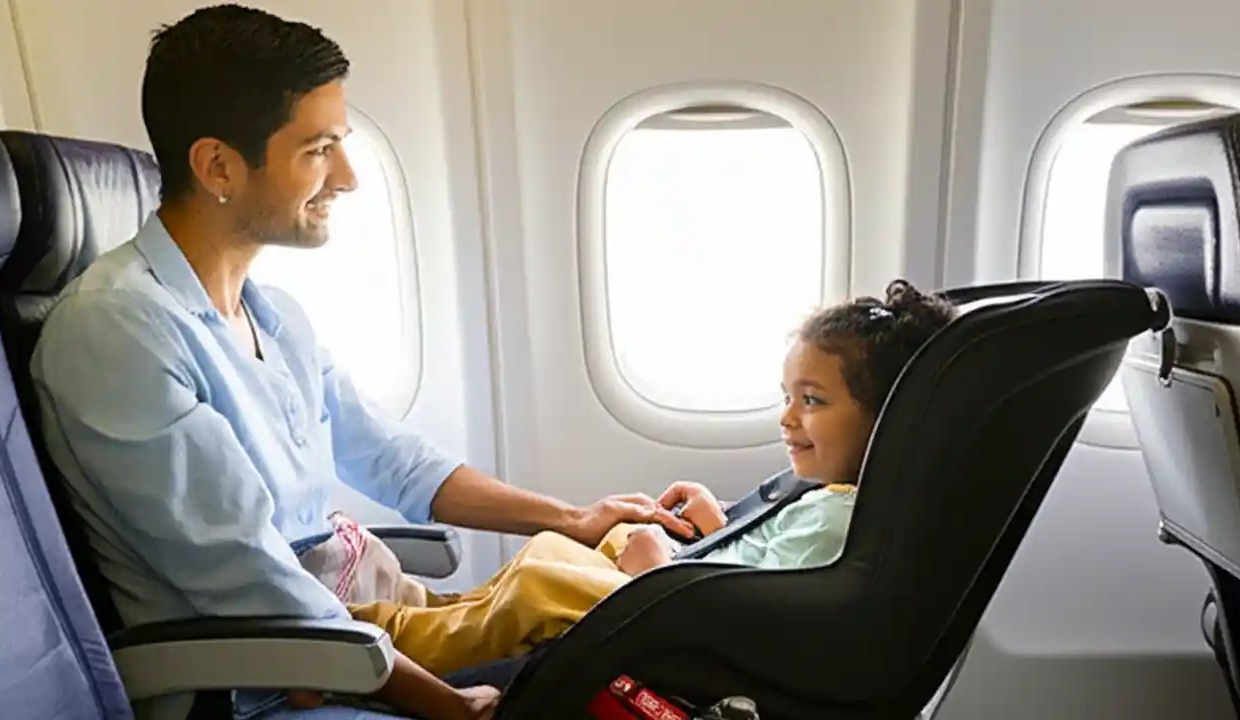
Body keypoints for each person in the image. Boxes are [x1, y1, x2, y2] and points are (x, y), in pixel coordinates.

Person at [28, 5, 692, 720]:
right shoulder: (117, 332)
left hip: (353, 622)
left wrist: (573, 518)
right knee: (593, 632)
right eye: (318, 149)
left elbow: (390, 458)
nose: (346, 177)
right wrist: (453, 709)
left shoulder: (271, 312)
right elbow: (253, 584)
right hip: (260, 677)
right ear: (218, 165)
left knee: (579, 567)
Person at [328, 280, 958, 680]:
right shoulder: (830, 502)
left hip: (689, 632)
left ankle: (381, 644)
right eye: (787, 396)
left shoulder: (838, 519)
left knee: (545, 579)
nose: (788, 417)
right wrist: (714, 526)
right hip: (687, 597)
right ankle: (423, 615)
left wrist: (655, 569)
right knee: (554, 549)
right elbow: (761, 567)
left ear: (890, 419)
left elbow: (761, 617)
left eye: (813, 401)